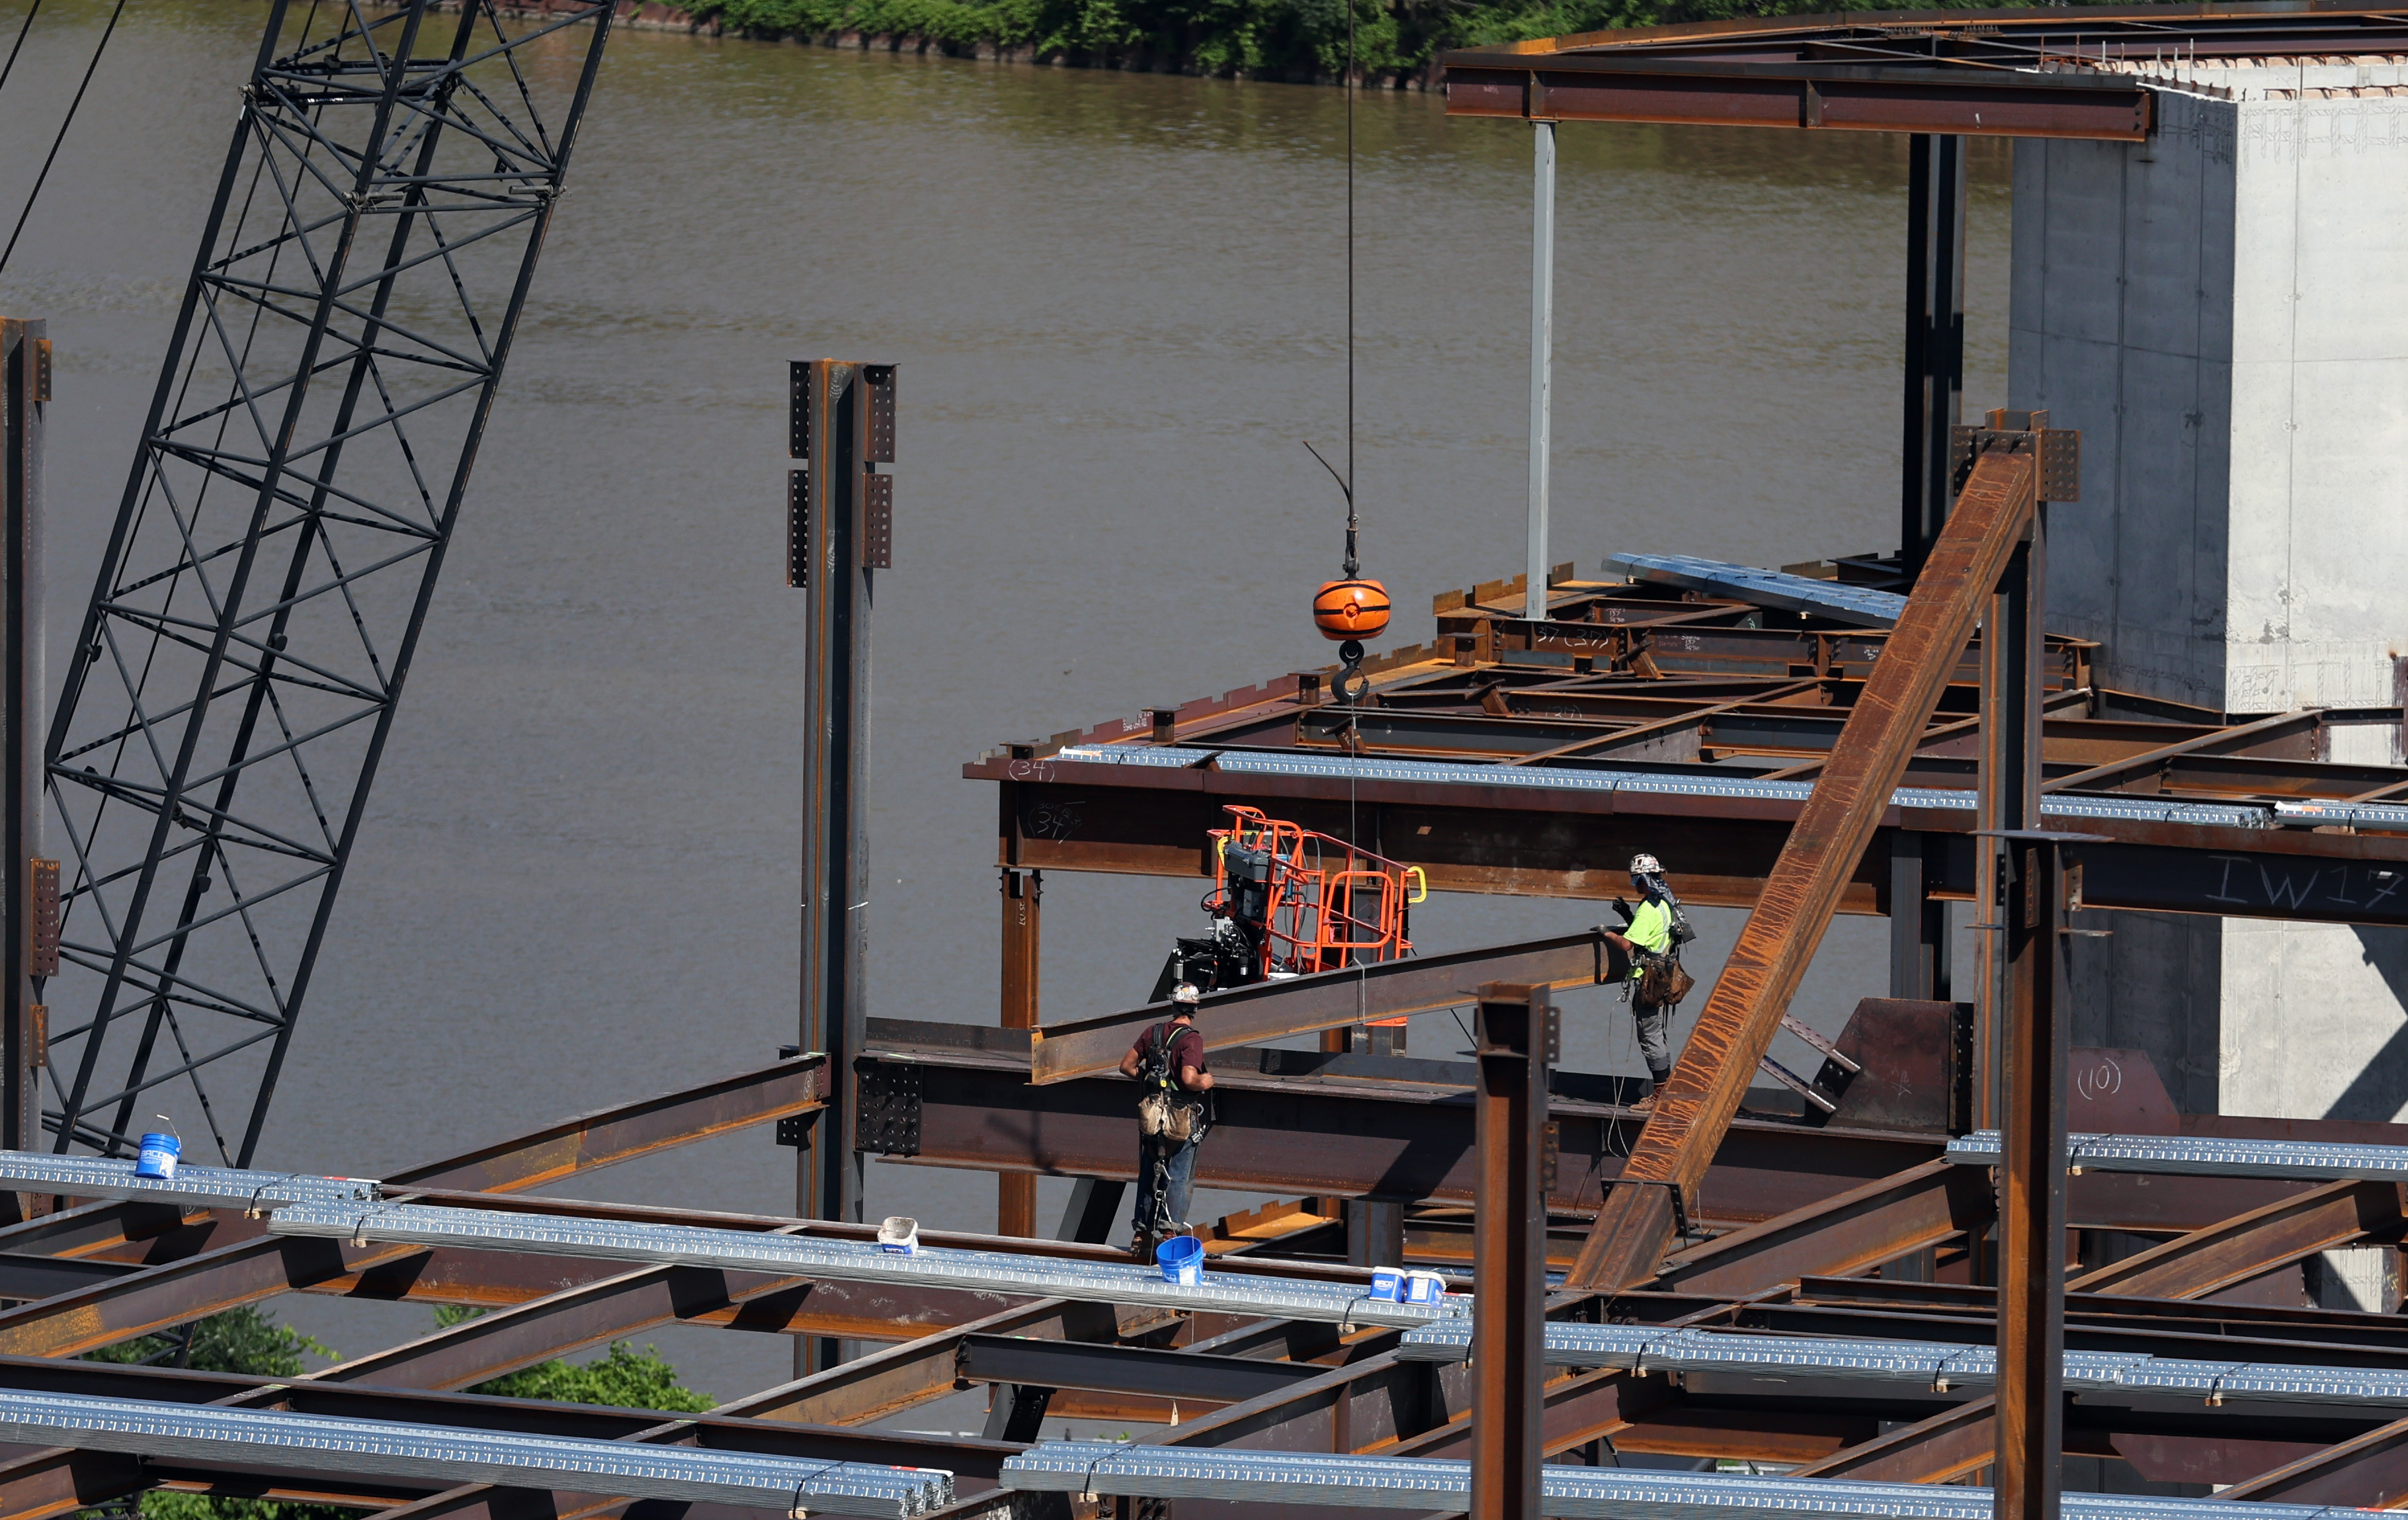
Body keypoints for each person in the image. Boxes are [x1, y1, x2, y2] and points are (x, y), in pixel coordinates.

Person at [1119, 982, 1214, 1257]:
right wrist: (1205, 1081)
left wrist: (1151, 1082)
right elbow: (1188, 1079)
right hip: (1180, 1116)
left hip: (1152, 1115)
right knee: (1180, 1177)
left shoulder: (1153, 1033)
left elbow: (1126, 1066)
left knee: (1149, 1171)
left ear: (1173, 1006)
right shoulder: (1191, 1039)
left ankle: (1142, 1235)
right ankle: (1171, 1233)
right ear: (1195, 1008)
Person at [1602, 852, 1682, 1111]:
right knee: (1657, 1031)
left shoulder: (1648, 907)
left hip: (1650, 980)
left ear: (1645, 879)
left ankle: (1660, 1094)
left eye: (1637, 881)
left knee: (1649, 1035)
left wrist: (1606, 933)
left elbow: (1627, 943)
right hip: (1663, 973)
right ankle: (1666, 1086)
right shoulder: (1665, 903)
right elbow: (1649, 935)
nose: (1636, 885)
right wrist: (1627, 914)